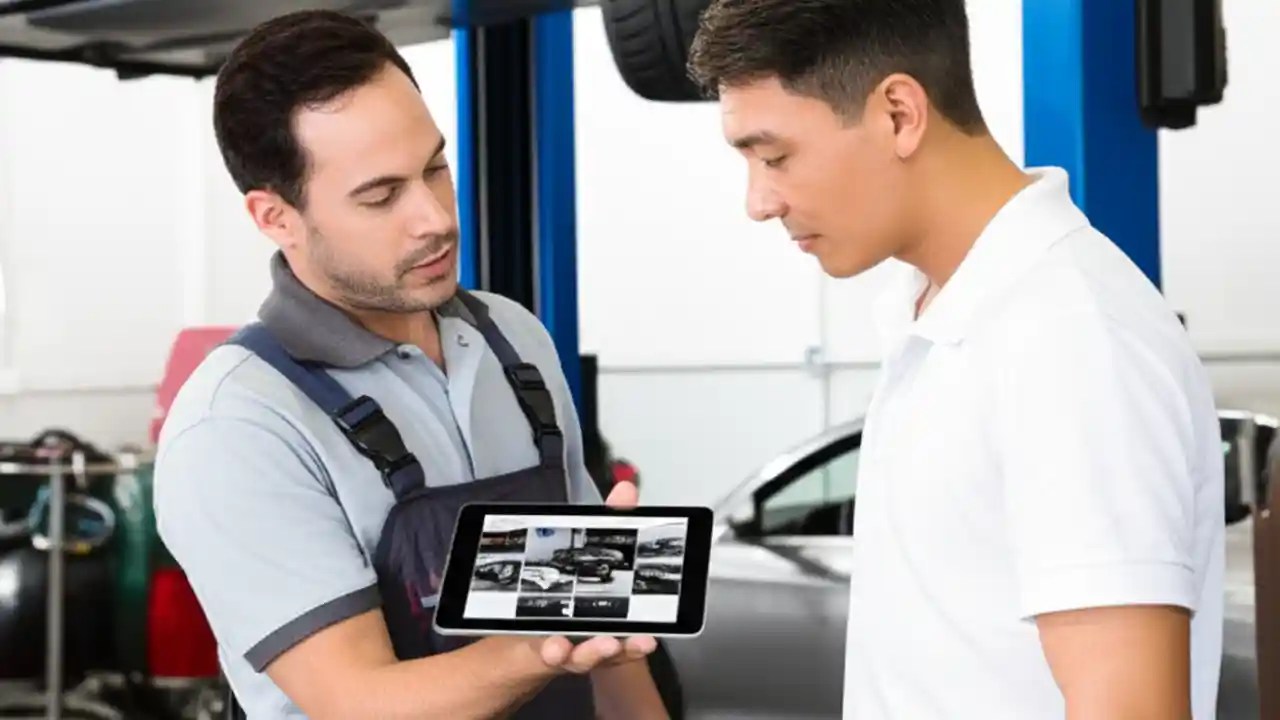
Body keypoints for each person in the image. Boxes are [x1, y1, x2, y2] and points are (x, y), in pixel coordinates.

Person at [687, 1, 1225, 718]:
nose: (759, 202)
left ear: (900, 114)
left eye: (775, 156)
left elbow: (1128, 705)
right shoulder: (949, 315)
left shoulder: (1068, 334)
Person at [152, 10, 664, 719]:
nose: (435, 217)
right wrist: (550, 643)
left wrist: (608, 612)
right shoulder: (238, 425)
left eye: (435, 168)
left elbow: (611, 637)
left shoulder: (512, 338)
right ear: (275, 217)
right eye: (381, 195)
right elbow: (358, 701)